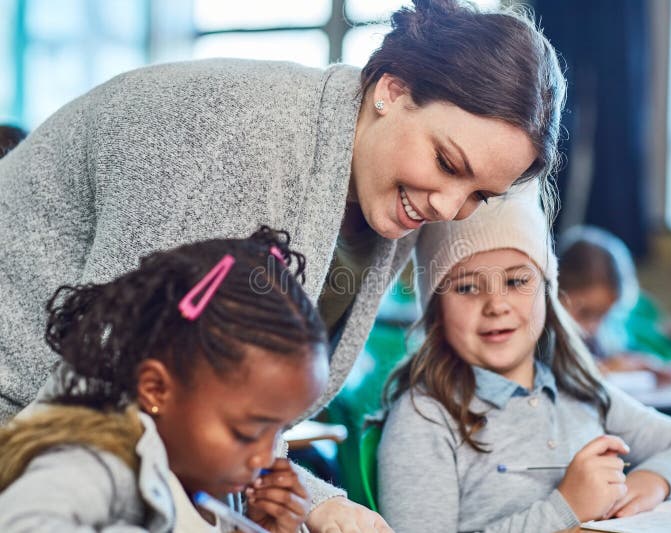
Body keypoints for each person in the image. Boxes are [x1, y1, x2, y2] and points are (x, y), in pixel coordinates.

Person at [0, 0, 566, 527]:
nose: (447, 206)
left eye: (479, 195)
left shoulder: (387, 186)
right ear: (392, 90)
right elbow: (112, 382)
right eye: (446, 161)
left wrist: (314, 501)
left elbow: (224, 395)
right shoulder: (228, 133)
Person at [378, 189, 671, 532]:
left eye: (517, 281)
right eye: (467, 287)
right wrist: (566, 507)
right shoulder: (423, 418)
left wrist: (650, 483)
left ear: (549, 295)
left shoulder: (580, 392)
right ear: (436, 309)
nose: (496, 305)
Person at [0, 226, 328, 532]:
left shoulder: (210, 482)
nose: (266, 457)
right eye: (246, 433)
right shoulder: (91, 464)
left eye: (278, 431)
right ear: (156, 389)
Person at [557, 225, 671, 380]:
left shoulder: (598, 340)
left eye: (604, 316)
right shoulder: (540, 341)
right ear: (556, 294)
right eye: (586, 313)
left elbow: (617, 357)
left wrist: (642, 365)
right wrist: (605, 369)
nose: (593, 327)